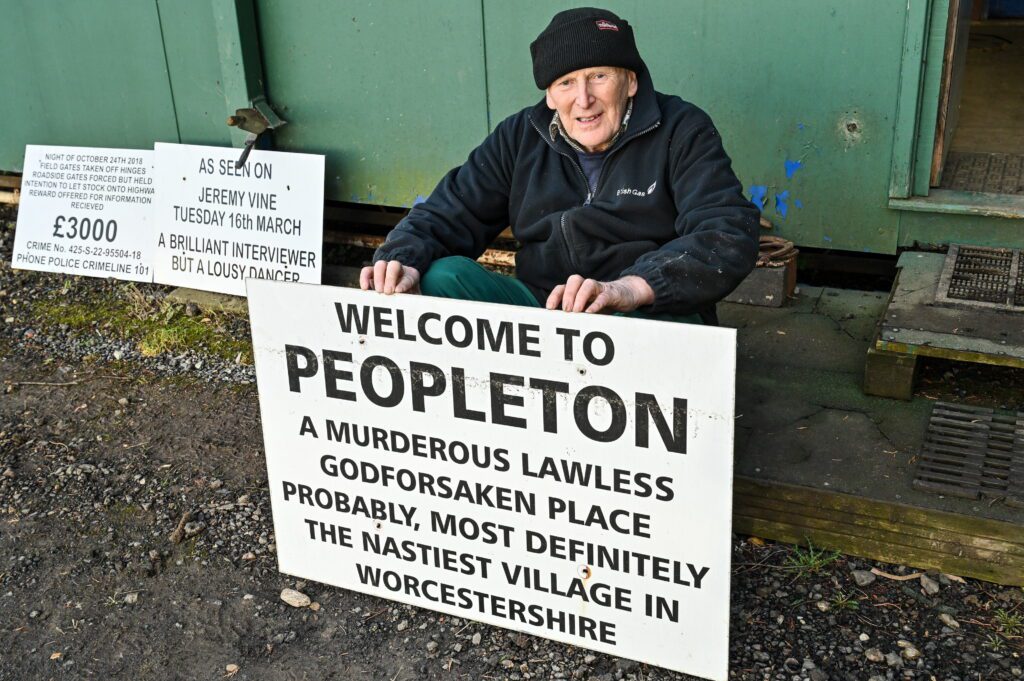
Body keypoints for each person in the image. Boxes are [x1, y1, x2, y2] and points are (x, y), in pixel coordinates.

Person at [360, 7, 759, 325]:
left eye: (599, 76)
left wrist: (631, 288)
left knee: (683, 337)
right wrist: (397, 259)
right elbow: (450, 210)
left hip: (644, 310)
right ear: (550, 95)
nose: (582, 99)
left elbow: (725, 232)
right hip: (543, 309)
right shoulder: (520, 136)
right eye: (566, 83)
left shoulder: (681, 128)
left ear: (631, 82)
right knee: (439, 278)